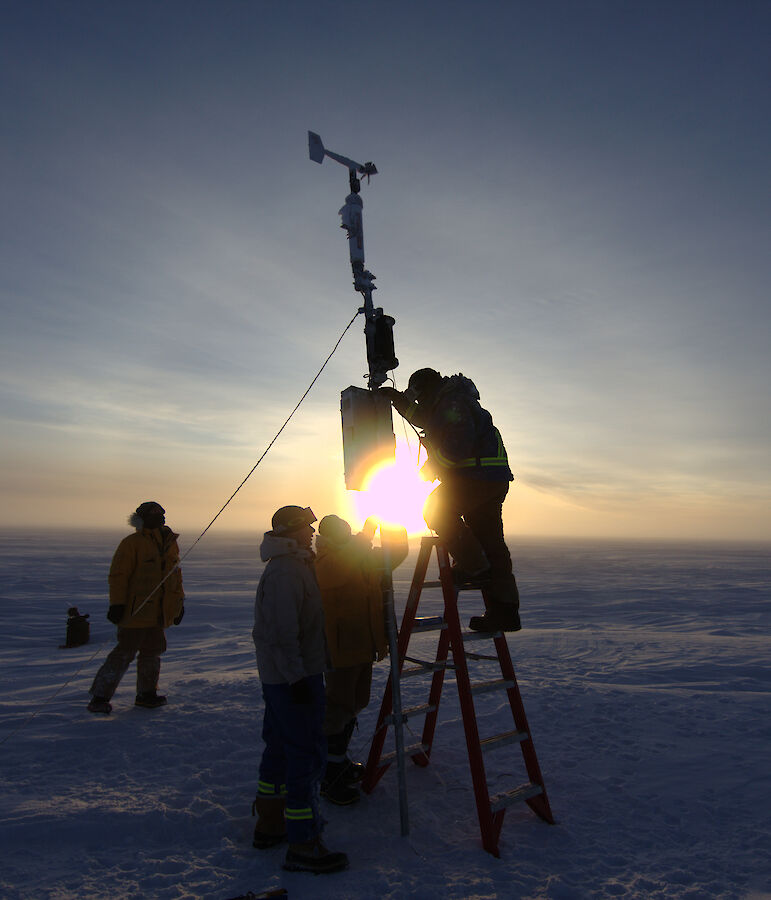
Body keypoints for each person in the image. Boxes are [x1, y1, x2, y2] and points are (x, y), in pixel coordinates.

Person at [380, 368, 521, 632]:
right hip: (490, 479)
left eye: (419, 398)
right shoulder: (448, 401)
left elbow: (456, 449)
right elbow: (426, 419)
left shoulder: (452, 403)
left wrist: (432, 467)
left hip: (475, 478)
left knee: (435, 510)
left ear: (428, 392)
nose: (419, 404)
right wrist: (399, 401)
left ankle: (475, 567)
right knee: (491, 542)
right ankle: (504, 612)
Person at [251, 505, 348, 875]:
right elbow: (279, 634)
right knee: (306, 755)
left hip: (286, 678)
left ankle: (270, 824)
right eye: (306, 527)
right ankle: (304, 842)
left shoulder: (294, 565)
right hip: (293, 679)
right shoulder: (287, 572)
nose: (312, 532)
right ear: (290, 532)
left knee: (278, 749)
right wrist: (296, 680)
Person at [314, 514, 408, 805]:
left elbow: (394, 557)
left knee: (356, 702)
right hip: (341, 647)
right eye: (342, 532)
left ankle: (338, 760)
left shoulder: (357, 557)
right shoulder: (325, 561)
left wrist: (395, 525)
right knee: (339, 705)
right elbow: (339, 571)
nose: (348, 534)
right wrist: (365, 537)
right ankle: (329, 774)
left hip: (363, 644)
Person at [87, 501, 185, 714]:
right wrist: (117, 604)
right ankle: (100, 697)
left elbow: (175, 577)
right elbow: (118, 576)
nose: (159, 517)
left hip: (158, 613)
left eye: (161, 514)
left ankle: (146, 694)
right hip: (135, 612)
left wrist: (179, 604)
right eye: (153, 514)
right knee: (123, 653)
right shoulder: (132, 543)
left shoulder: (169, 543)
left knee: (153, 653)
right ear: (142, 518)